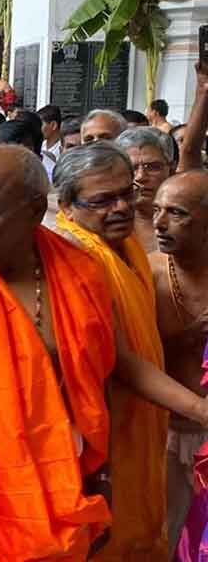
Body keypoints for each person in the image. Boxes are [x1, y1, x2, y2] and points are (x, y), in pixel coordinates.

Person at [0, 145, 208, 561]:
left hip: (63, 492)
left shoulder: (79, 272)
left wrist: (200, 410)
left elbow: (123, 362)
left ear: (34, 210)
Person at [54, 141, 173, 559]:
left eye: (127, 193)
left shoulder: (129, 247)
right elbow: (120, 362)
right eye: (103, 200)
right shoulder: (74, 257)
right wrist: (198, 410)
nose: (121, 207)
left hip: (140, 428)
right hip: (96, 447)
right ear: (67, 206)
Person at [147, 171, 208, 558]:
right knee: (161, 541)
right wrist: (188, 335)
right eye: (156, 210)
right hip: (161, 434)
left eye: (176, 213)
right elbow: (129, 358)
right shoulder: (147, 271)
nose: (159, 223)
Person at [117, 127, 176, 252]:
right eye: (132, 167)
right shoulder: (108, 223)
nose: (140, 177)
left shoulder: (189, 223)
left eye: (153, 167)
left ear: (171, 170)